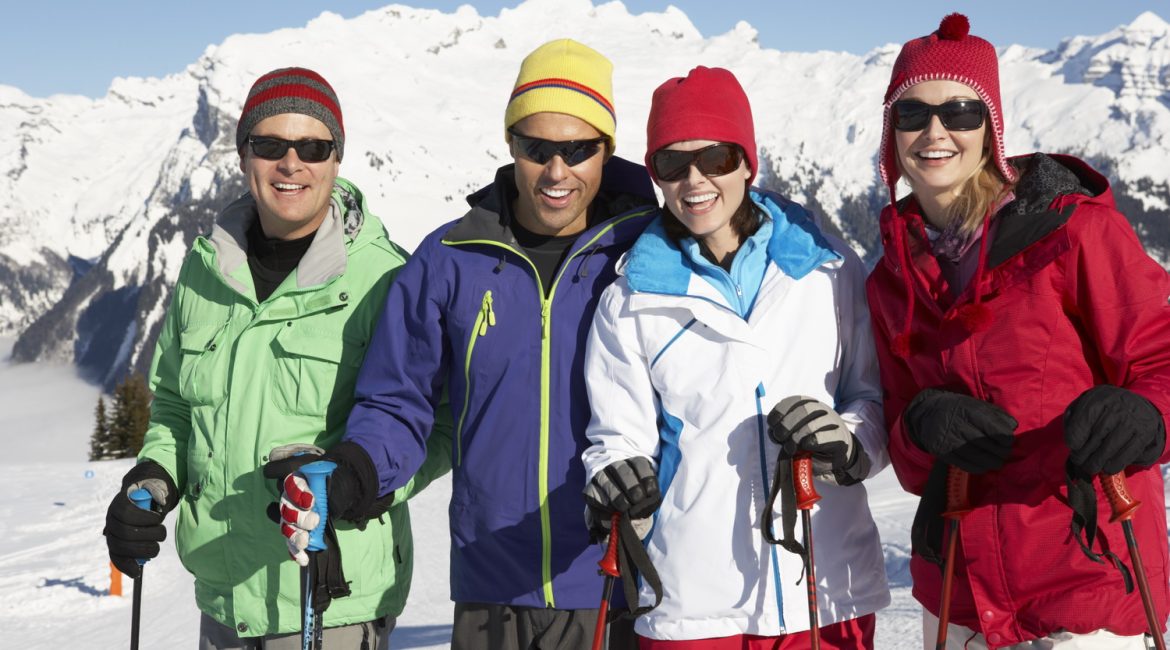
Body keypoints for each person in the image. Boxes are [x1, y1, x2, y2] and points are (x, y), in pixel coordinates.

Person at [279, 40, 658, 649]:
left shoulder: (648, 255)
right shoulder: (451, 260)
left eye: (577, 149)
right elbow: (397, 401)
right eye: (538, 148)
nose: (557, 172)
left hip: (621, 575)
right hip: (491, 582)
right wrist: (356, 472)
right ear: (511, 145)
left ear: (605, 152)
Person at [102, 66, 450, 649]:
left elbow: (435, 423)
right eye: (270, 145)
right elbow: (175, 403)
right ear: (244, 156)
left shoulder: (388, 279)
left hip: (327, 599)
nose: (292, 163)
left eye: (312, 146)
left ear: (336, 159)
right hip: (225, 594)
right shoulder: (205, 268)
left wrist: (359, 482)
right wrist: (155, 479)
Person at [866, 13, 1170, 650]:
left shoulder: (1070, 232)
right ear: (891, 133)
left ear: (991, 129)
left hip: (1083, 577)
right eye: (912, 115)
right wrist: (921, 428)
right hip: (959, 590)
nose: (935, 131)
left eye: (960, 112)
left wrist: (1145, 416)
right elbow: (904, 444)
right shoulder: (892, 278)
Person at [580, 65, 891, 649]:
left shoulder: (826, 269)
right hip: (695, 602)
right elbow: (615, 438)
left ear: (747, 161)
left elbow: (870, 398)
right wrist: (617, 476)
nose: (694, 179)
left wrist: (848, 445)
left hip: (824, 587)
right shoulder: (631, 299)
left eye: (716, 158)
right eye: (672, 163)